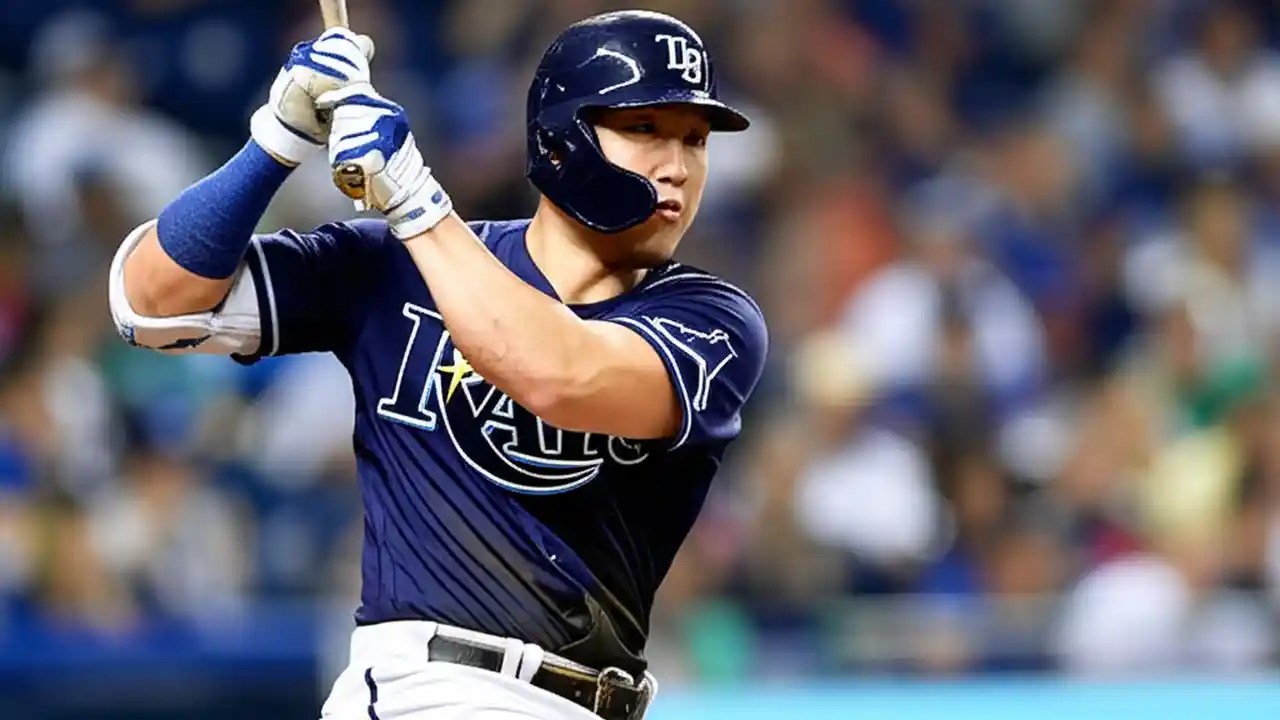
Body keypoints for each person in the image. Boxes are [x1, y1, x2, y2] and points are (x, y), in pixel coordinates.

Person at [107, 10, 767, 720]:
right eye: (645, 130)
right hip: (433, 692)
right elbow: (149, 305)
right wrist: (276, 140)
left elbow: (558, 373)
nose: (678, 165)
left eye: (695, 140)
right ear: (561, 138)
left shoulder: (711, 318)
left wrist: (416, 201)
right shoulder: (389, 264)